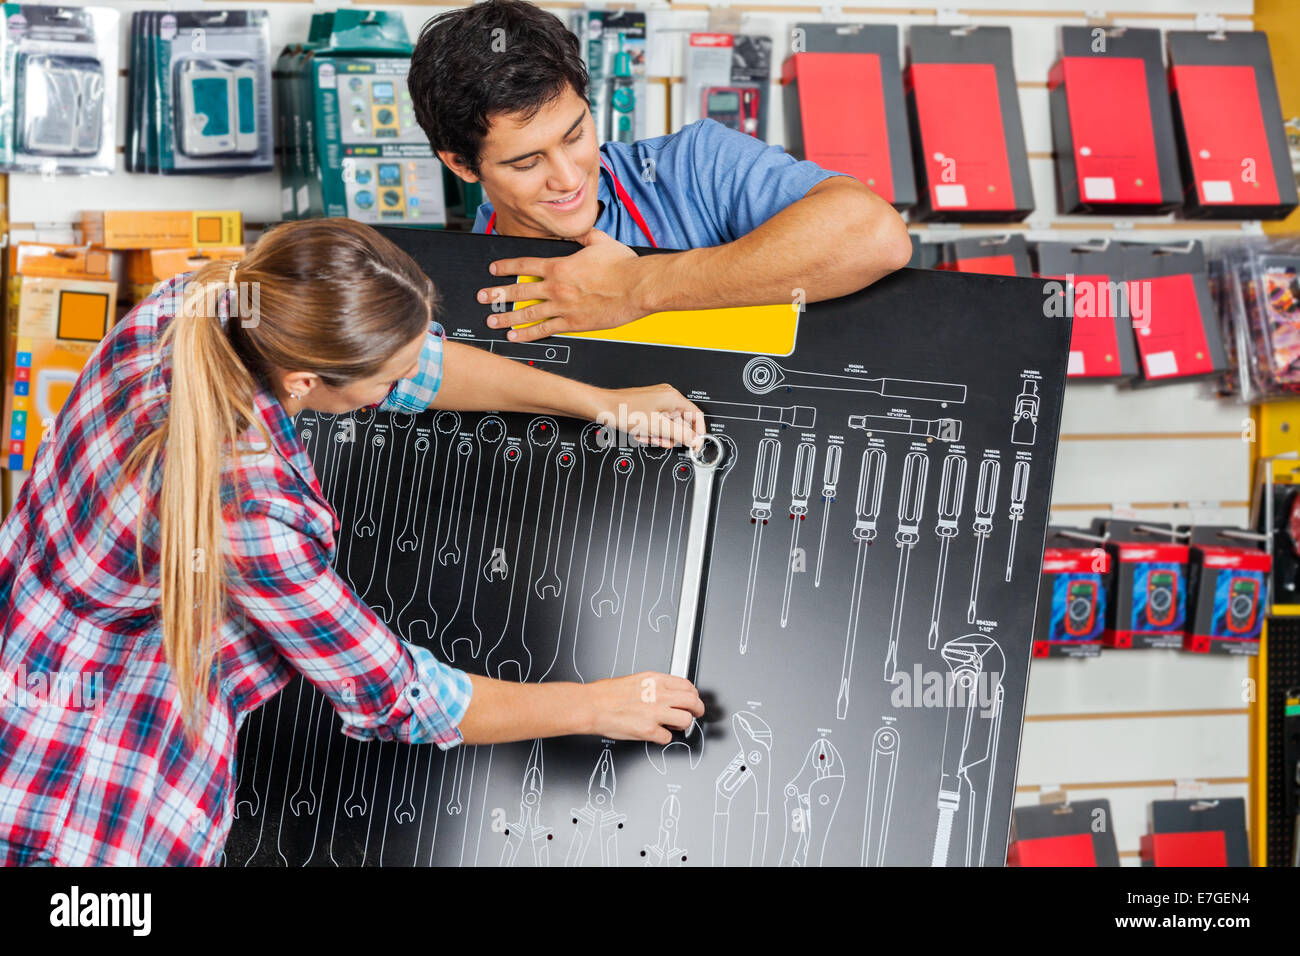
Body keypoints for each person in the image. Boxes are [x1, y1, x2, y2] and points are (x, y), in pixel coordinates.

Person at [0, 218, 706, 866]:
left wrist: (595, 401)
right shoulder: (250, 509)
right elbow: (393, 693)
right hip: (85, 771)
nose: (402, 381)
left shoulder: (206, 302)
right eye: (384, 381)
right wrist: (593, 706)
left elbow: (411, 366)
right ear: (304, 379)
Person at [406, 0, 912, 344]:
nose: (567, 177)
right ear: (460, 163)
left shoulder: (694, 166)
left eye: (575, 134)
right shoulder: (453, 290)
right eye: (526, 161)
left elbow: (874, 235)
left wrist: (636, 286)